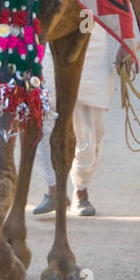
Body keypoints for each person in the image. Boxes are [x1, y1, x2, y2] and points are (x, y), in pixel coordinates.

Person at [32, 21, 118, 217]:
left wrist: (128, 44)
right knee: (46, 118)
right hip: (51, 44)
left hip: (92, 45)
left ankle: (81, 190)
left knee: (91, 127)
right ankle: (54, 190)